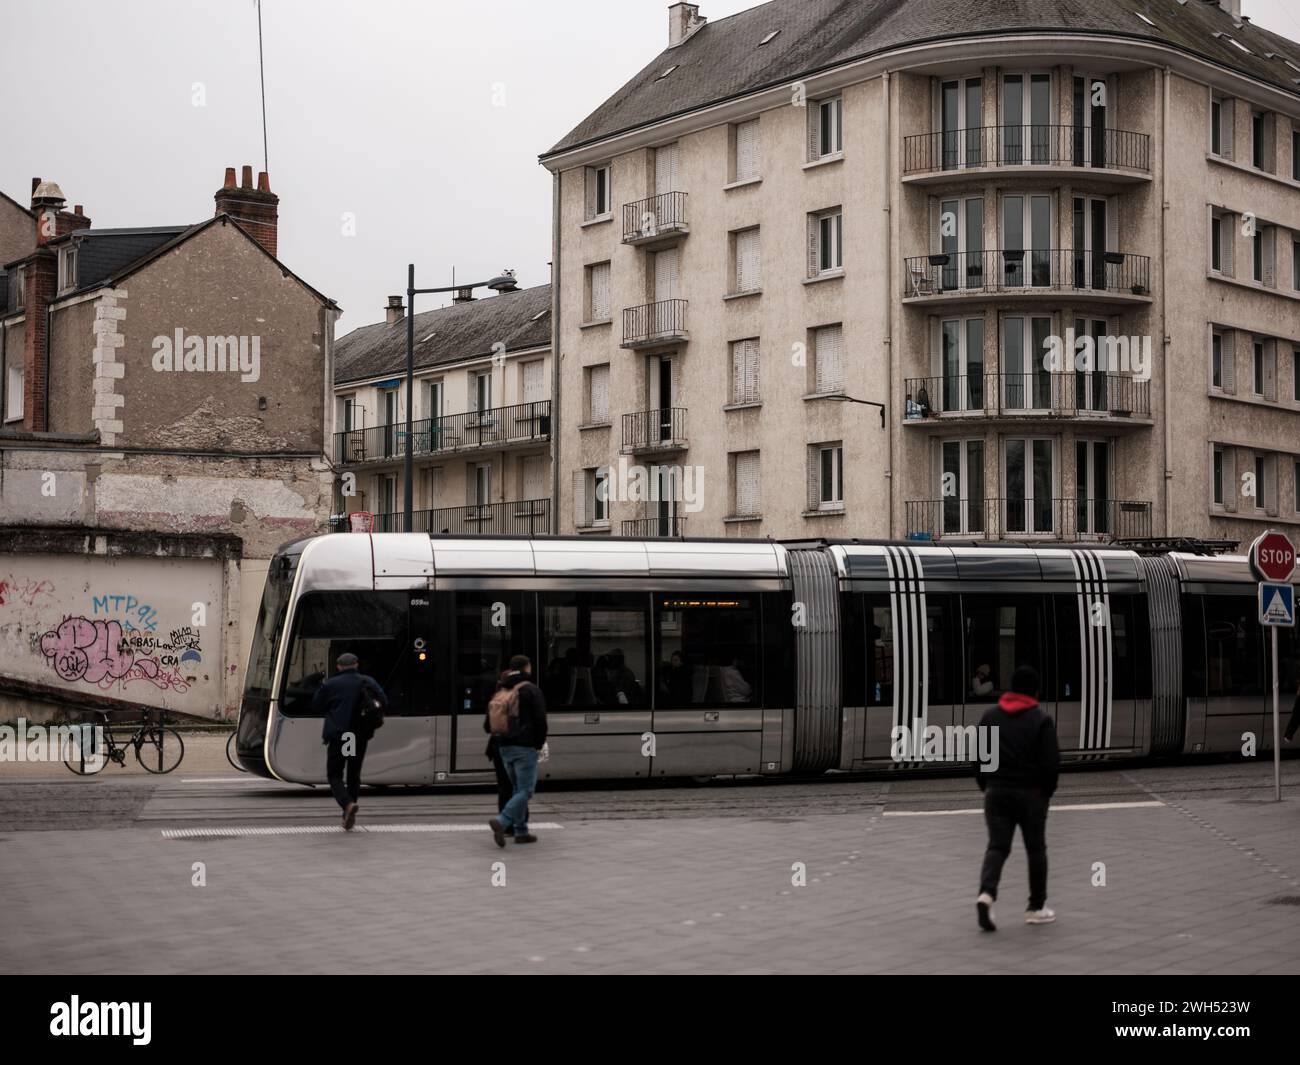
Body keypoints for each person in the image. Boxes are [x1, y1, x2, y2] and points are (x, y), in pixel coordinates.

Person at [974, 664, 1059, 931]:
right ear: (1035, 690)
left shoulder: (990, 716)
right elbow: (1051, 766)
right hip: (1031, 795)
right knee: (1036, 849)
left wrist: (988, 787)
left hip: (997, 793)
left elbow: (981, 763)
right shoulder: (1041, 720)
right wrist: (1045, 793)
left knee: (997, 847)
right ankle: (1036, 907)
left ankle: (986, 895)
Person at [312, 652, 387, 831]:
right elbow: (383, 701)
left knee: (335, 774)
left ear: (338, 666)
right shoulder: (367, 681)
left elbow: (316, 705)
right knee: (353, 774)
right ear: (356, 664)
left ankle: (347, 804)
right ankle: (348, 812)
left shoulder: (331, 684)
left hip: (341, 735)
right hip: (359, 735)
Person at [488, 654, 548, 846]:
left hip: (503, 746)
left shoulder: (503, 688)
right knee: (525, 791)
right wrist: (538, 744)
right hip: (524, 747)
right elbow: (541, 721)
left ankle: (521, 832)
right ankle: (502, 820)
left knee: (515, 789)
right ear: (527, 667)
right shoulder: (531, 690)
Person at [483, 669, 517, 834]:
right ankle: (513, 824)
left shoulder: (495, 698)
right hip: (513, 746)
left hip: (496, 746)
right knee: (517, 787)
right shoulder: (515, 697)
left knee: (503, 787)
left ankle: (505, 824)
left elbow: (487, 727)